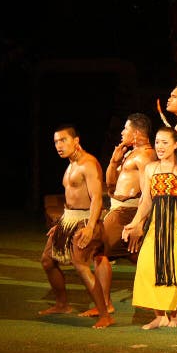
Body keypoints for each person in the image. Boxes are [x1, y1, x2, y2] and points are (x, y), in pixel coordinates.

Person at [122, 127, 177, 329]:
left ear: (175, 145)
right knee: (147, 266)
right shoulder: (150, 168)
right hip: (156, 224)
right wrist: (135, 222)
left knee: (174, 269)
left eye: (165, 142)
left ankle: (175, 315)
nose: (160, 146)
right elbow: (146, 202)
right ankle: (159, 315)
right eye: (157, 142)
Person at [80, 113, 157, 317]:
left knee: (98, 250)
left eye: (125, 129)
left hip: (128, 212)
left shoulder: (146, 156)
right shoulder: (129, 153)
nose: (122, 133)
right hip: (118, 209)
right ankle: (160, 294)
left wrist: (139, 221)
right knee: (135, 254)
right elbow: (110, 183)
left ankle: (105, 304)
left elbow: (148, 191)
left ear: (137, 132)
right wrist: (114, 163)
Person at [38, 125, 114, 329]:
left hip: (84, 220)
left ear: (76, 141)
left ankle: (105, 315)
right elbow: (71, 199)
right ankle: (62, 304)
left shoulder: (88, 163)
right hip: (68, 219)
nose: (58, 146)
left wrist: (90, 227)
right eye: (56, 142)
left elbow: (97, 198)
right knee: (47, 261)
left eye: (63, 140)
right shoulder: (71, 165)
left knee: (80, 264)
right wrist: (60, 224)